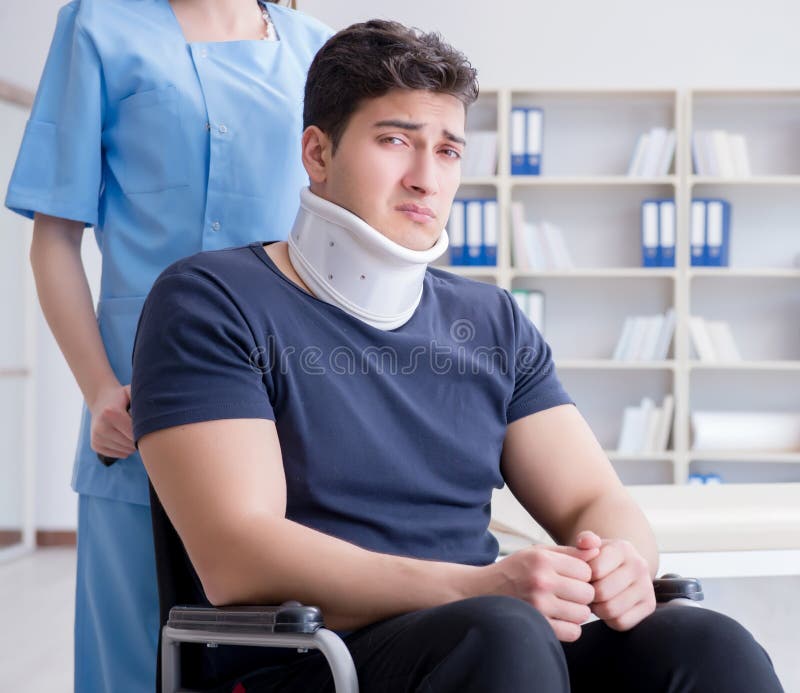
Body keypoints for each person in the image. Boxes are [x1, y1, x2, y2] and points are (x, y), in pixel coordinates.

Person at [130, 20, 784, 693]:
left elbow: (593, 495)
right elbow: (237, 553)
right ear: (318, 154)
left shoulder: (490, 321)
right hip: (307, 657)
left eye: (446, 151)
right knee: (502, 633)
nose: (425, 177)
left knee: (707, 644)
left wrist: (621, 559)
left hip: (486, 642)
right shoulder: (210, 301)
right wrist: (478, 587)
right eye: (395, 141)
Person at [4, 1, 331, 690]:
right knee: (132, 657)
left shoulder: (314, 46)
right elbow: (55, 239)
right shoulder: (98, 26)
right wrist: (98, 388)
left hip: (286, 397)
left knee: (279, 656)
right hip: (136, 404)